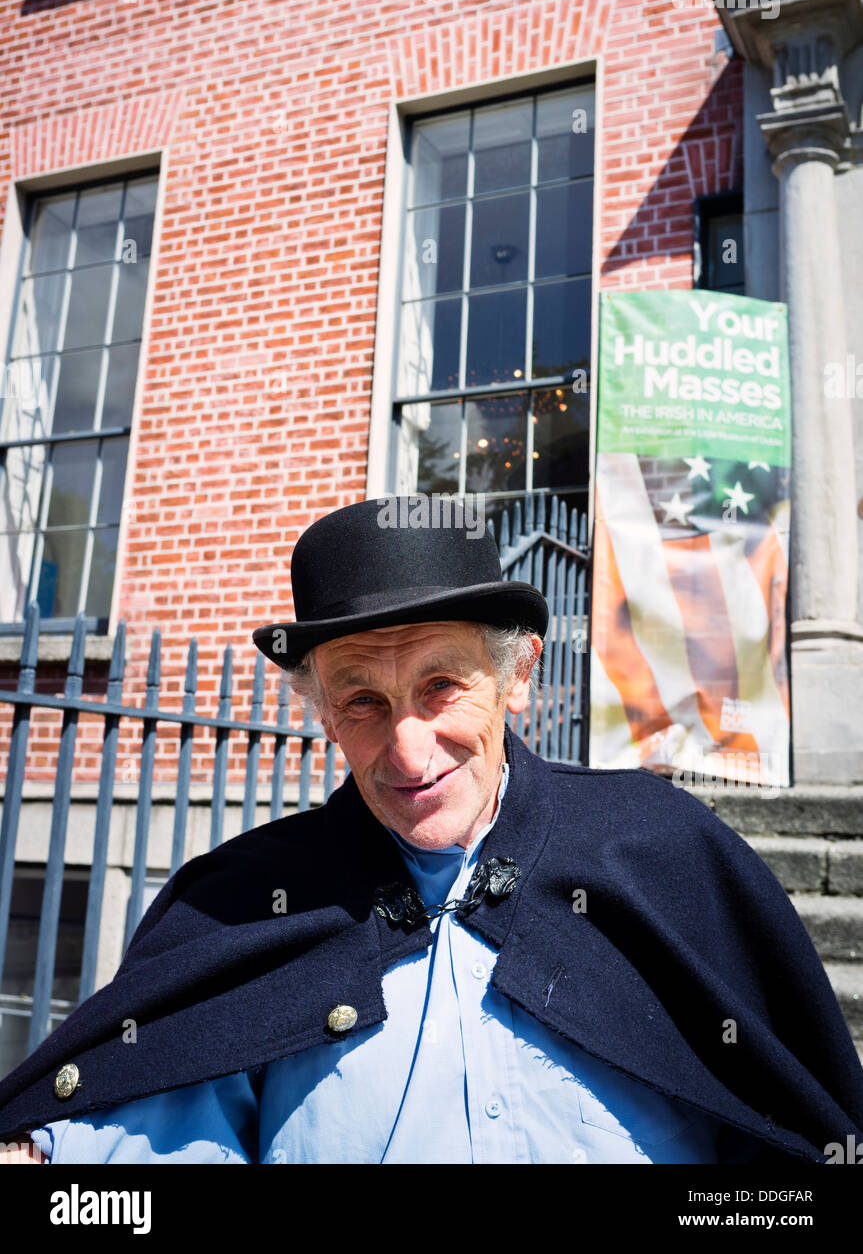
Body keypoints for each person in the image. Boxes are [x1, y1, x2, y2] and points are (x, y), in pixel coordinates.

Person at [1, 497, 861, 1164]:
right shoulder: (234, 906)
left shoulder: (662, 848)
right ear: (322, 715)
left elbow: (783, 1129)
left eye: (441, 685)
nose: (409, 751)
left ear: (515, 675)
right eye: (362, 700)